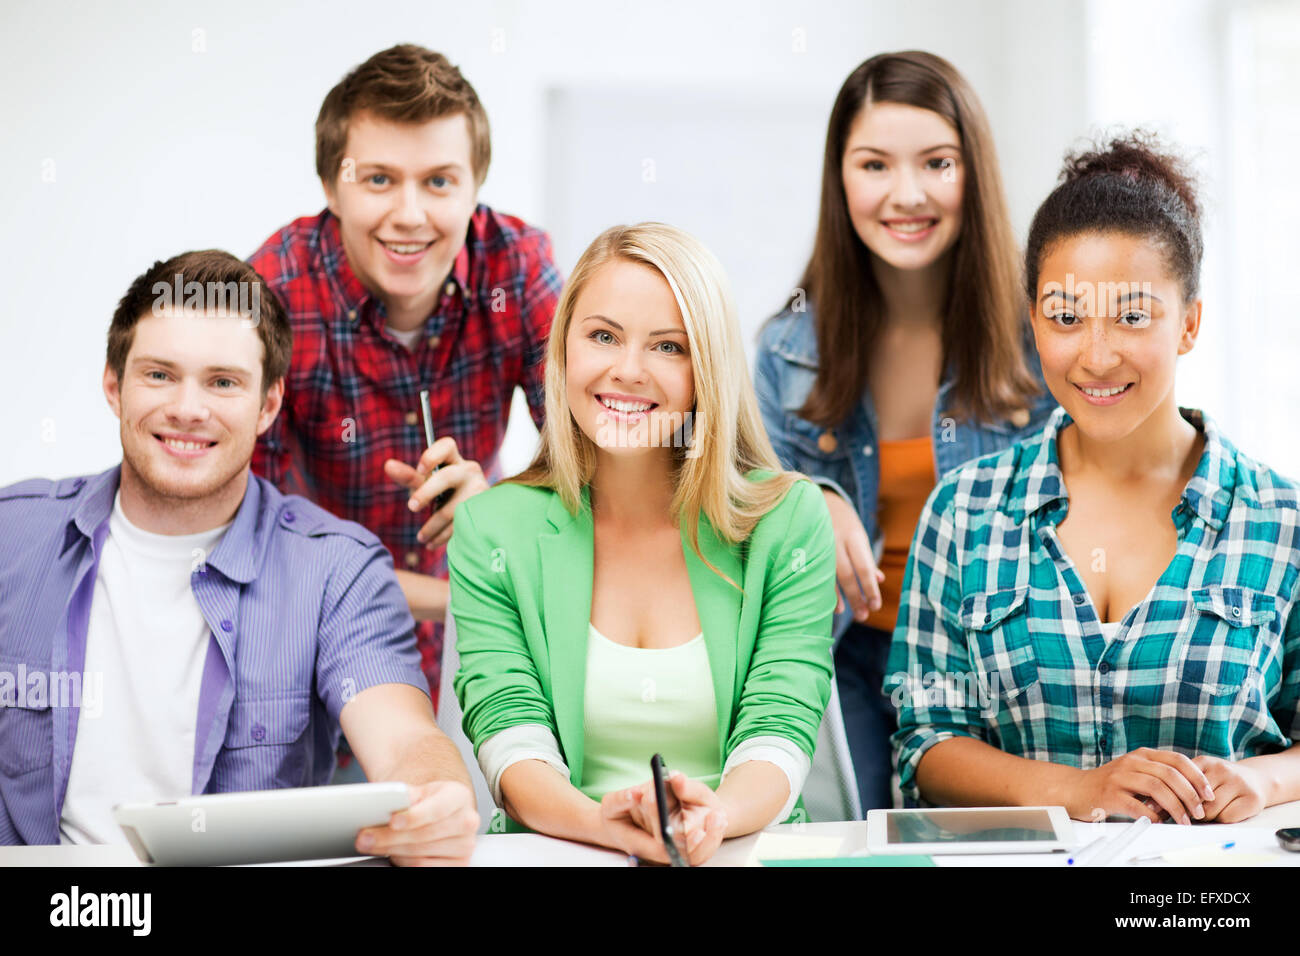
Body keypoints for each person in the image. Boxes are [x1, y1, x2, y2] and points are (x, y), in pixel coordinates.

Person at [0, 251, 479, 863]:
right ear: (113, 387)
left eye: (223, 382)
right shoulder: (14, 534)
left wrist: (435, 798)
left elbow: (406, 739)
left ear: (269, 405)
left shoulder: (336, 570)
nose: (188, 409)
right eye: (159, 375)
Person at [886, 132, 1300, 824]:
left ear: (1190, 324)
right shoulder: (964, 511)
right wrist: (1073, 790)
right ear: (1034, 321)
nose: (1097, 355)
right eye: (1067, 317)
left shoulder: (1280, 520)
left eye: (1133, 316)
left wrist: (1266, 780)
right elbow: (925, 741)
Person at [447, 223, 836, 864]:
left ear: (706, 368)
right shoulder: (493, 529)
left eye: (668, 347)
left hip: (741, 850)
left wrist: (717, 819)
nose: (627, 371)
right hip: (562, 849)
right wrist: (608, 827)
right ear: (563, 349)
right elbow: (508, 736)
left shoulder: (788, 520)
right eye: (602, 336)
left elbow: (782, 723)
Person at [753, 50, 1058, 812]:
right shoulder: (788, 348)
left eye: (937, 162)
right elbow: (743, 508)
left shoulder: (1041, 340)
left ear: (972, 172)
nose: (907, 193)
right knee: (838, 843)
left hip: (992, 669)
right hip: (842, 654)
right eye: (874, 165)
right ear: (841, 178)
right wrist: (805, 497)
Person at [248, 44, 563, 708]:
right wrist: (462, 596)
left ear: (476, 186)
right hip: (320, 642)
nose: (411, 215)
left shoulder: (518, 270)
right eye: (379, 179)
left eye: (440, 182)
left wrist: (501, 513)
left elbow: (599, 464)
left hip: (482, 649)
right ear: (333, 187)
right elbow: (255, 540)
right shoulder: (275, 288)